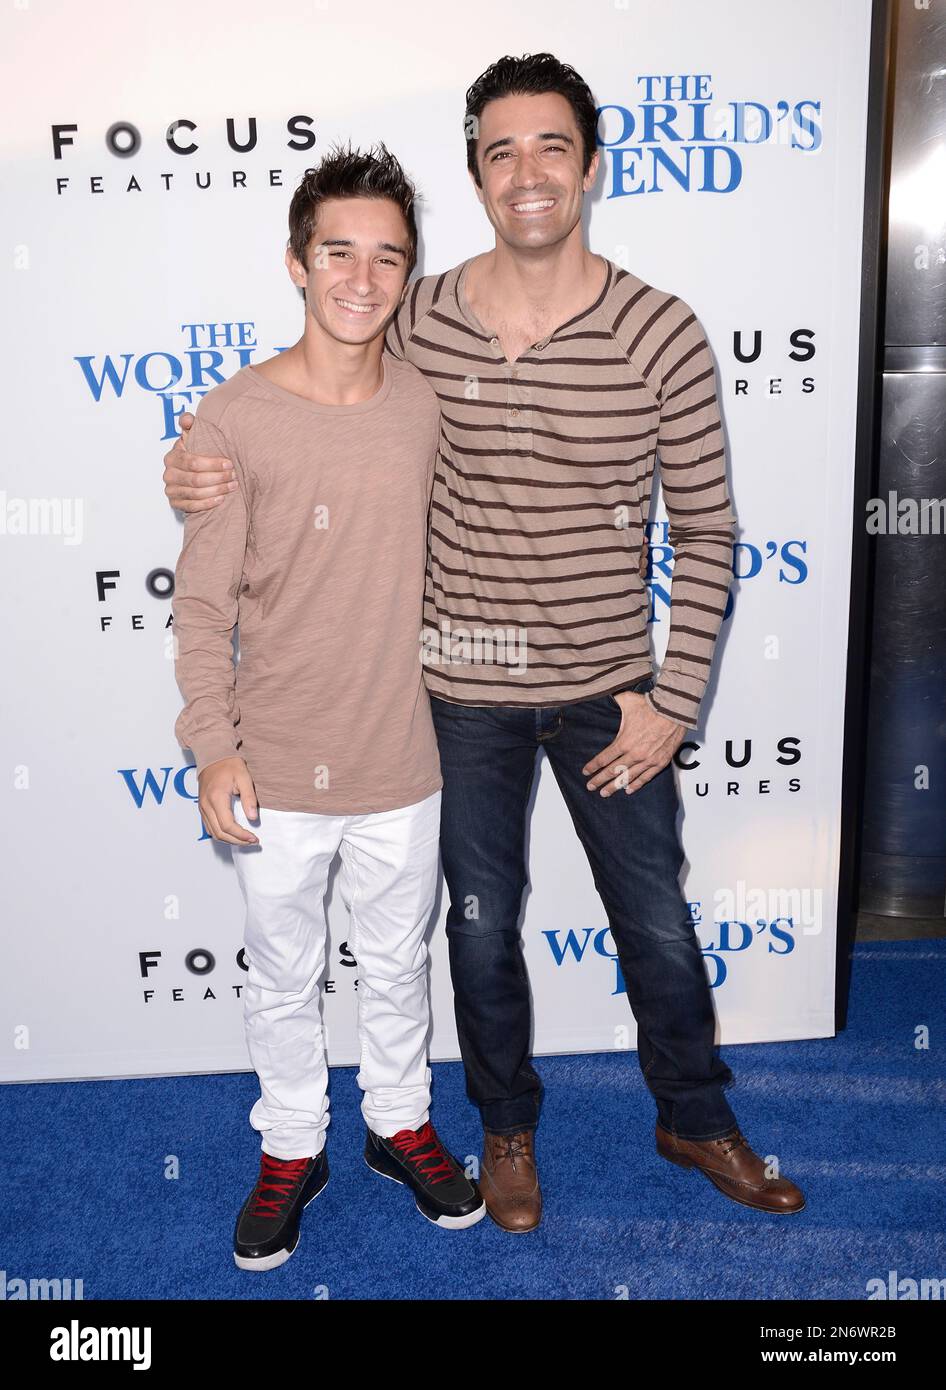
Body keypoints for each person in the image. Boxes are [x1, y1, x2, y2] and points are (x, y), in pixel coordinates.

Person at [165, 56, 806, 1232]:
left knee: (655, 919)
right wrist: (192, 463)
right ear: (475, 172)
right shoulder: (420, 313)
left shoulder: (662, 330)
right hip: (456, 693)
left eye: (551, 146)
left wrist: (675, 695)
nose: (527, 172)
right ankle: (502, 1129)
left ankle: (696, 1116)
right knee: (475, 927)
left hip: (613, 690)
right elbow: (317, 365)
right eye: (500, 150)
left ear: (591, 165)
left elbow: (707, 526)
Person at [171, 142, 485, 1272]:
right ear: (297, 263)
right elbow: (201, 607)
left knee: (400, 964)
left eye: (386, 257)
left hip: (403, 755)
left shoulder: (428, 407)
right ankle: (292, 1141)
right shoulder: (232, 417)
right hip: (278, 758)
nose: (362, 277)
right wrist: (213, 747)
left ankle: (399, 1123)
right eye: (338, 252)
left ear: (408, 273)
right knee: (282, 972)